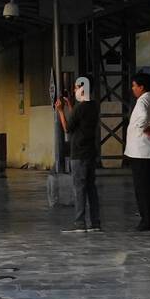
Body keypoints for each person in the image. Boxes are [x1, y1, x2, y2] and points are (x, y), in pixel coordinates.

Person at [55, 76, 101, 233]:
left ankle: (80, 222)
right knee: (91, 188)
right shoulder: (93, 106)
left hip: (78, 153)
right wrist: (70, 107)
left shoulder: (80, 108)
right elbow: (79, 121)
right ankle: (95, 222)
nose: (74, 90)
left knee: (79, 188)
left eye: (76, 87)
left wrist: (61, 111)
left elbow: (68, 127)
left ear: (83, 89)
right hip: (90, 152)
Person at [125, 72, 150, 232]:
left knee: (142, 187)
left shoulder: (143, 101)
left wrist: (144, 128)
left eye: (134, 85)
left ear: (141, 87)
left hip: (140, 151)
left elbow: (142, 118)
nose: (133, 89)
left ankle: (146, 221)